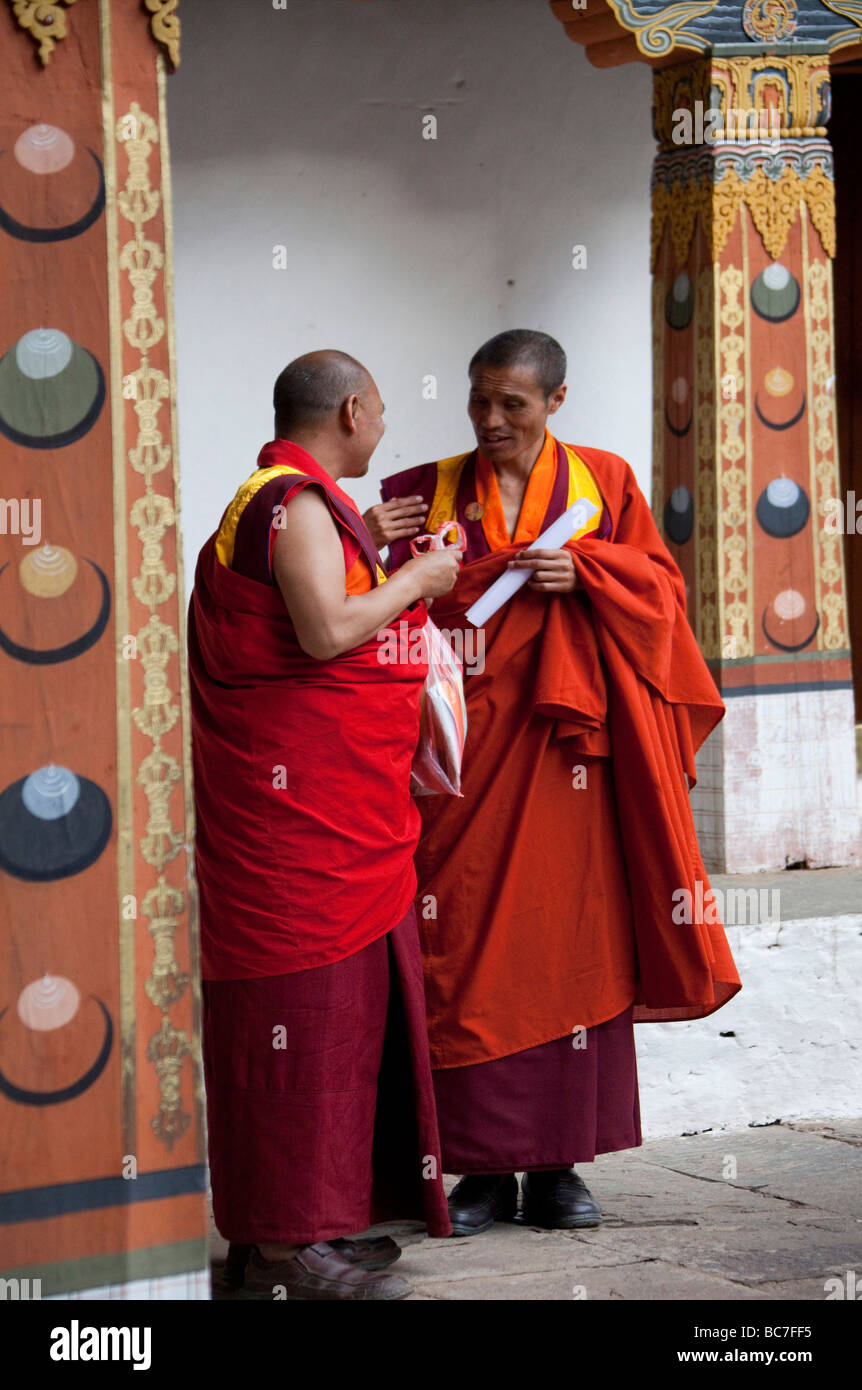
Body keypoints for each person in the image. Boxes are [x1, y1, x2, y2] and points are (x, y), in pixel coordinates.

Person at [366, 329, 740, 1237]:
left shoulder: (602, 483)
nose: (491, 421)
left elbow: (662, 592)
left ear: (555, 403)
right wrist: (368, 542)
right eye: (479, 401)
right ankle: (481, 1170)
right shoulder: (423, 490)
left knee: (568, 941)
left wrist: (591, 572)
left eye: (513, 406)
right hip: (458, 760)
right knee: (458, 945)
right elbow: (369, 602)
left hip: (566, 752)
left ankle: (560, 1167)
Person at [189, 350, 461, 1298]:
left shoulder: (292, 501)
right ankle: (279, 1243)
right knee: (297, 1024)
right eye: (381, 410)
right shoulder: (293, 503)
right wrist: (423, 580)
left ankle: (324, 1219)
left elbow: (316, 605)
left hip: (329, 816)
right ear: (351, 409)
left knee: (343, 1026)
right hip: (296, 832)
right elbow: (326, 633)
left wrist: (380, 549)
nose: (383, 424)